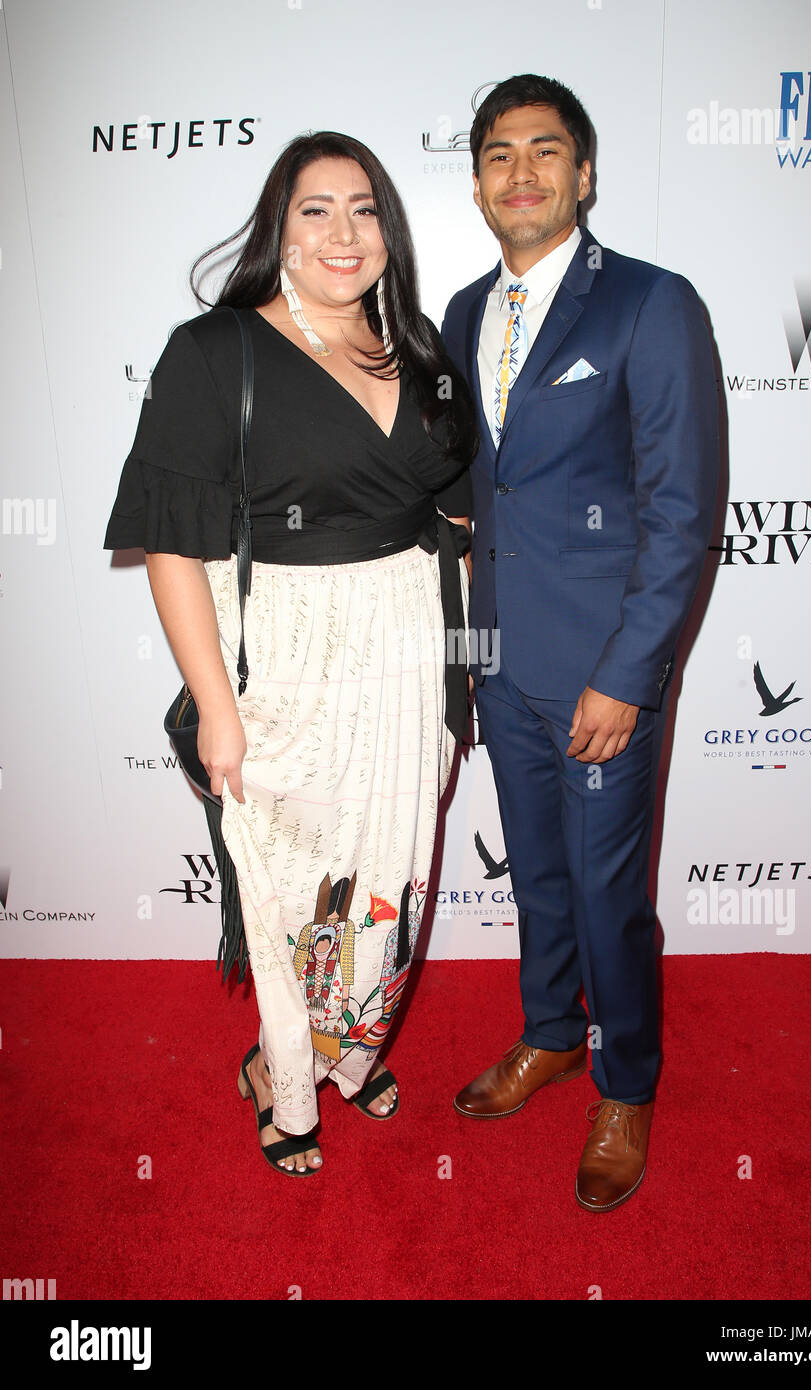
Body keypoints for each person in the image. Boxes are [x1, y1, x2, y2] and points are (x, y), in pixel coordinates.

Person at [104, 132, 476, 1175]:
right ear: (280, 226)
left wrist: (458, 661)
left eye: (364, 209)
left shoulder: (421, 349)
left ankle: (344, 1050)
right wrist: (216, 708)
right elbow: (172, 545)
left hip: (410, 651)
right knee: (295, 883)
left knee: (388, 877)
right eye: (316, 209)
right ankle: (283, 1071)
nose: (343, 232)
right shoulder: (213, 352)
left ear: (389, 229)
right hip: (291, 653)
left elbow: (455, 516)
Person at [441, 75, 719, 1211]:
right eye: (498, 155)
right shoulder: (462, 313)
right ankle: (552, 1032)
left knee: (609, 895)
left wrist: (628, 674)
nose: (521, 173)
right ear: (476, 186)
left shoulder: (651, 304)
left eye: (545, 150)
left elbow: (682, 513)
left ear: (584, 173)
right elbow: (473, 499)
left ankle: (627, 1082)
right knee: (538, 875)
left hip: (602, 668)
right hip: (502, 663)